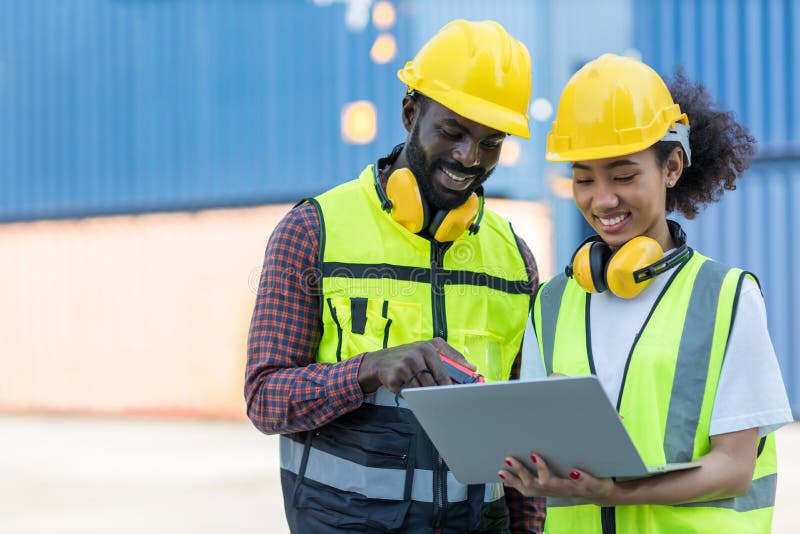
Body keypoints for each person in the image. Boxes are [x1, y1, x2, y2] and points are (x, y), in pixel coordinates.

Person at [245, 20, 546, 533]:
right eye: (452, 132)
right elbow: (266, 398)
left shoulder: (514, 260)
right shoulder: (313, 232)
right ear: (411, 112)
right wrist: (367, 369)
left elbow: (521, 434)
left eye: (490, 143)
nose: (468, 158)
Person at [498, 53, 793, 533]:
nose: (602, 199)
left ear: (672, 166)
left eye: (623, 175)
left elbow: (735, 469)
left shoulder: (726, 297)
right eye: (583, 178)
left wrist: (618, 492)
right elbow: (539, 451)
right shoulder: (551, 304)